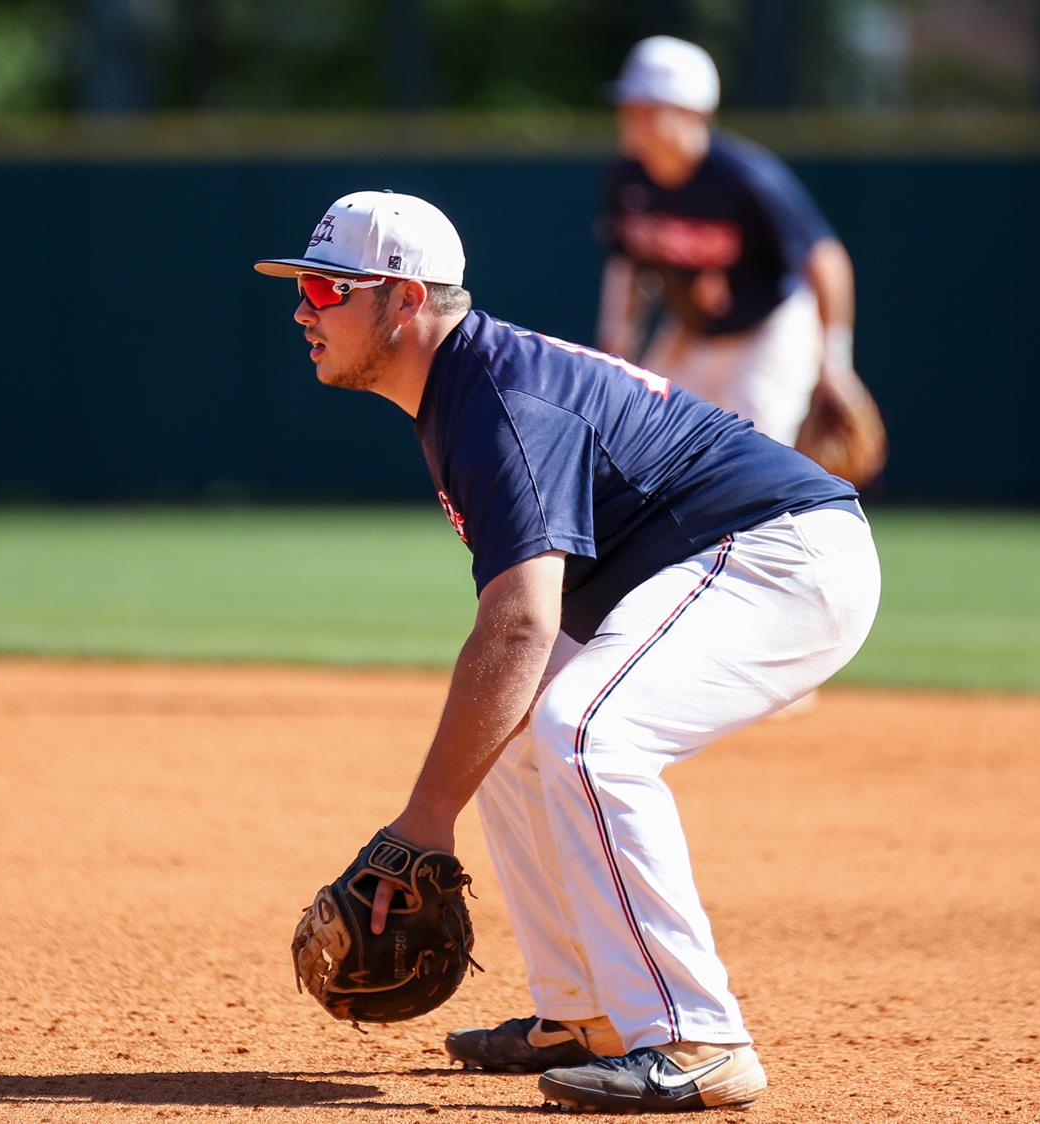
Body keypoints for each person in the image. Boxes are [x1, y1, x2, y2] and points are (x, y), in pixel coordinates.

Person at [255, 189, 880, 1113]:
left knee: (585, 731)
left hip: (778, 557)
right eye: (303, 288)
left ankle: (699, 1038)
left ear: (405, 299)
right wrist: (432, 810)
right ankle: (587, 1013)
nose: (303, 310)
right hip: (713, 558)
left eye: (326, 289)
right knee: (506, 731)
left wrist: (421, 826)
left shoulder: (497, 402)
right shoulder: (464, 389)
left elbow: (521, 622)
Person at [596, 35, 864, 450]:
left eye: (648, 108)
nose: (631, 118)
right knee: (642, 441)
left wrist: (835, 361)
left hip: (769, 327)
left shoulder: (746, 178)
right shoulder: (629, 178)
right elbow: (628, 263)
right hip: (692, 330)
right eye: (629, 106)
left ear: (693, 112)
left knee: (756, 454)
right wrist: (618, 341)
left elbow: (826, 259)